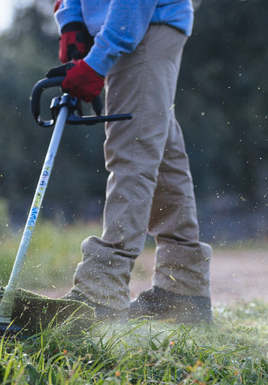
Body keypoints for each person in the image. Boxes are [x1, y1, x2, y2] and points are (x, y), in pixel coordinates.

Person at [54, 0, 213, 324]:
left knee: (133, 150)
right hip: (134, 26)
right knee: (160, 153)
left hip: (142, 24)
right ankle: (182, 292)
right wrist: (71, 19)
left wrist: (96, 62)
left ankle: (101, 294)